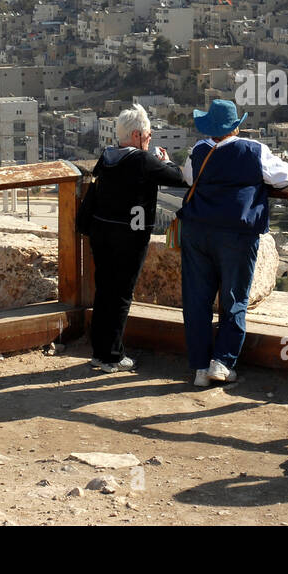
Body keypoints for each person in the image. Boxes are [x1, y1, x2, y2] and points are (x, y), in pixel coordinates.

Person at [179, 99, 288, 387]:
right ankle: (223, 362)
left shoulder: (198, 150)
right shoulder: (254, 150)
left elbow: (187, 177)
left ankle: (199, 368)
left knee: (197, 299)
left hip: (196, 231)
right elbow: (285, 177)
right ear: (236, 126)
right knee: (234, 298)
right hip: (235, 234)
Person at [86, 105, 187, 373]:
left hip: (101, 231)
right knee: (121, 295)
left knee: (105, 291)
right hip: (129, 237)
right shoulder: (142, 161)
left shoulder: (106, 156)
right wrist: (164, 161)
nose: (150, 138)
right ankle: (113, 356)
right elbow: (179, 178)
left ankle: (99, 352)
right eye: (149, 134)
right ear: (136, 135)